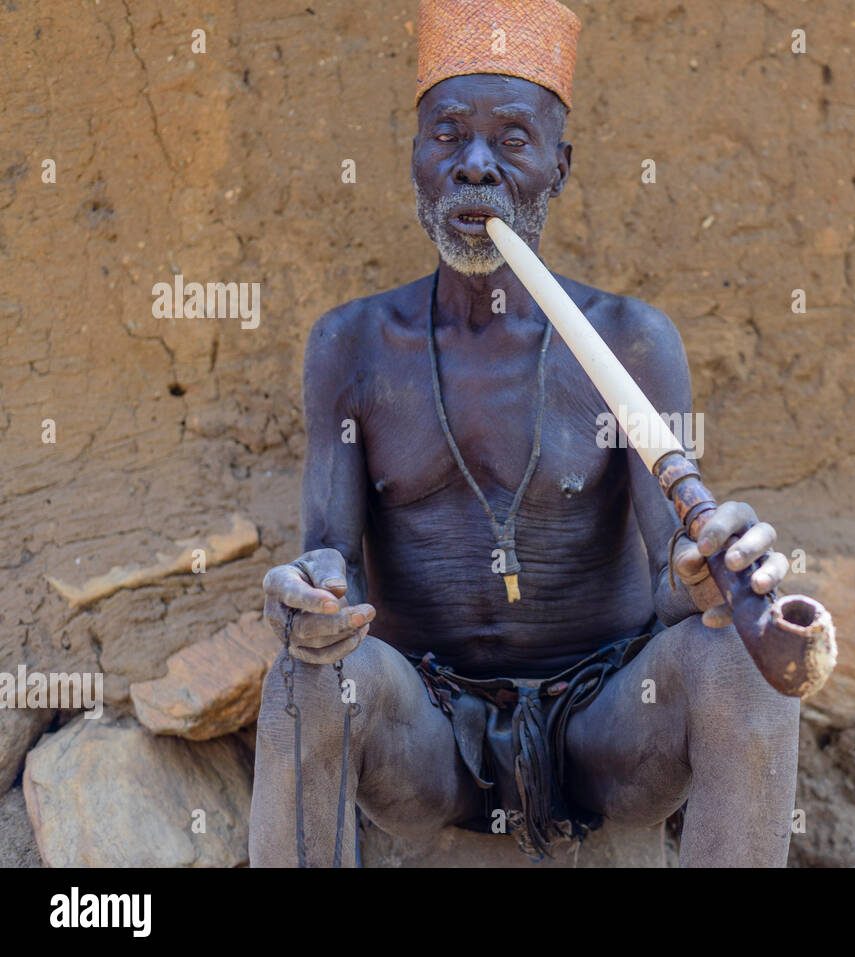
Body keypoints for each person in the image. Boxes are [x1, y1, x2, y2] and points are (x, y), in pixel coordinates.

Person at [249, 0, 799, 867]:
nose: (475, 167)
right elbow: (332, 560)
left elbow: (669, 584)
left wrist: (709, 583)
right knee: (305, 681)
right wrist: (309, 593)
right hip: (429, 732)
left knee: (741, 668)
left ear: (559, 167)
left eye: (512, 139)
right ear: (415, 157)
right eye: (447, 135)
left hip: (604, 728)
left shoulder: (631, 341)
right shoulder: (349, 347)